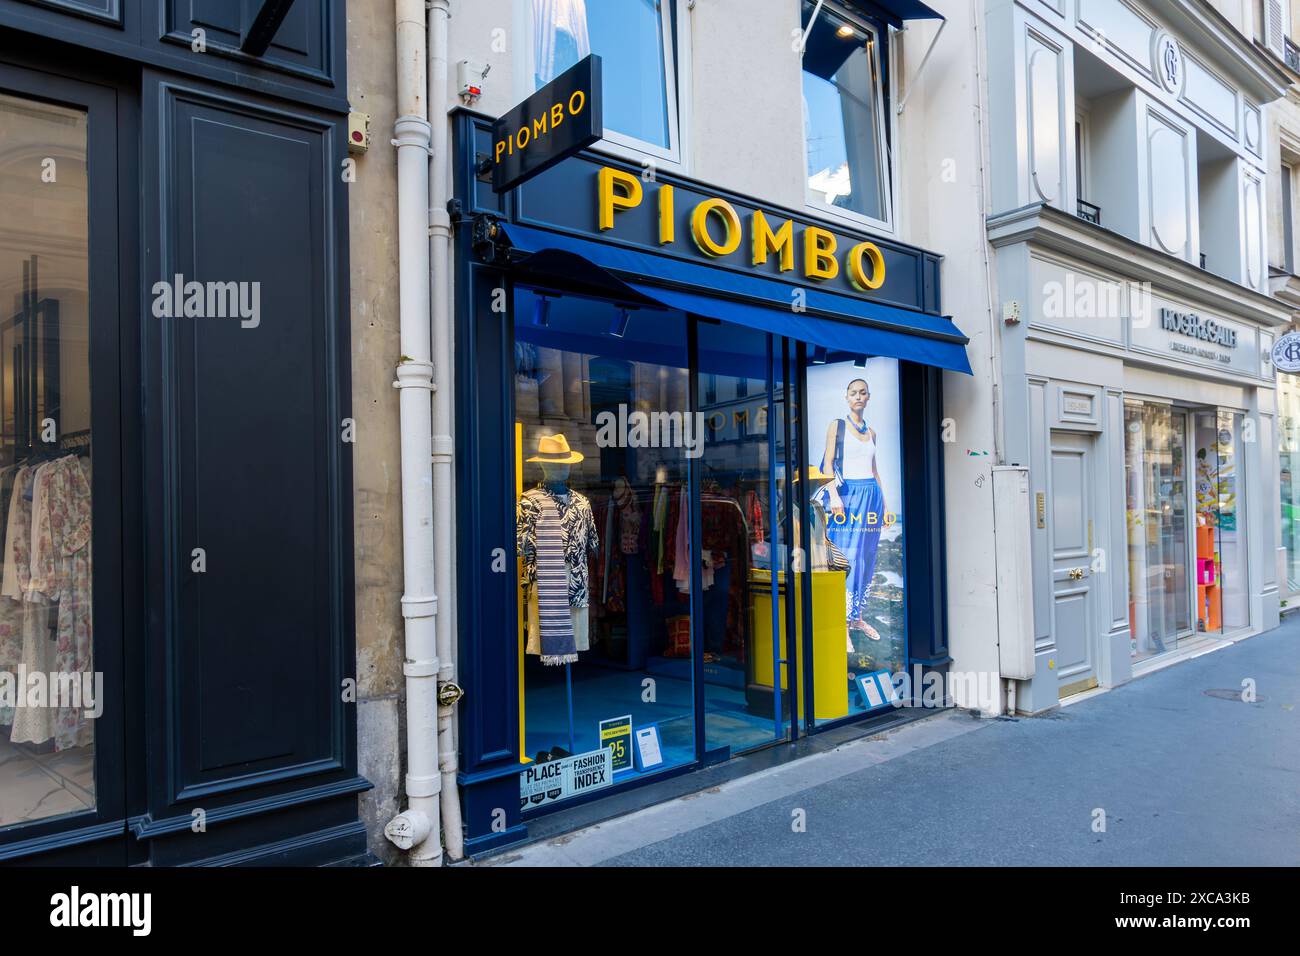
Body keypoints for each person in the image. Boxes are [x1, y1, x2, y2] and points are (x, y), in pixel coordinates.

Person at [818, 378, 886, 641]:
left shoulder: (872, 433)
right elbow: (827, 464)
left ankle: (857, 617)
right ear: (846, 397)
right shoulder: (837, 425)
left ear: (868, 397)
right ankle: (840, 621)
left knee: (867, 556)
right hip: (848, 495)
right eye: (853, 393)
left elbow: (875, 469)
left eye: (863, 393)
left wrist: (885, 503)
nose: (858, 397)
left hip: (871, 496)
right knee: (846, 556)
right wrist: (834, 494)